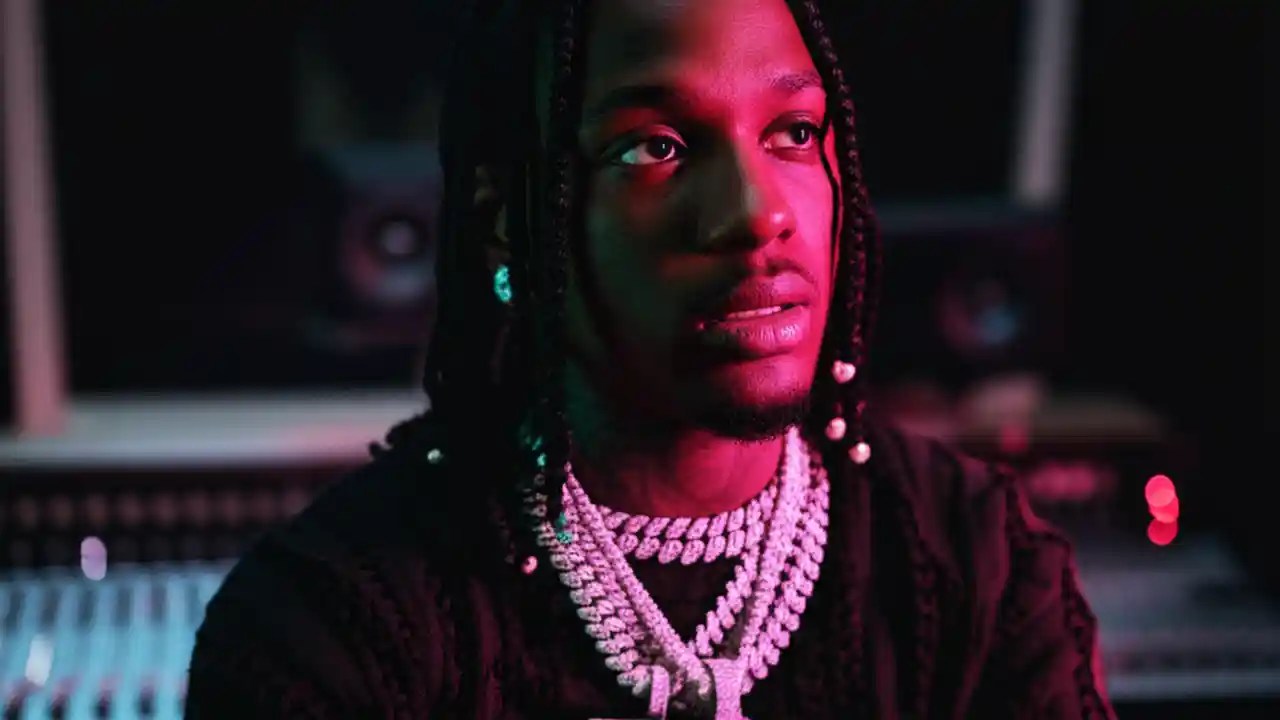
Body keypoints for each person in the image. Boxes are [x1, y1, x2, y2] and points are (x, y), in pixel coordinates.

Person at [187, 0, 1116, 717]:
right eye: (656, 147)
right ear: (512, 218)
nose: (755, 212)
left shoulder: (982, 565)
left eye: (794, 133)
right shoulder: (329, 628)